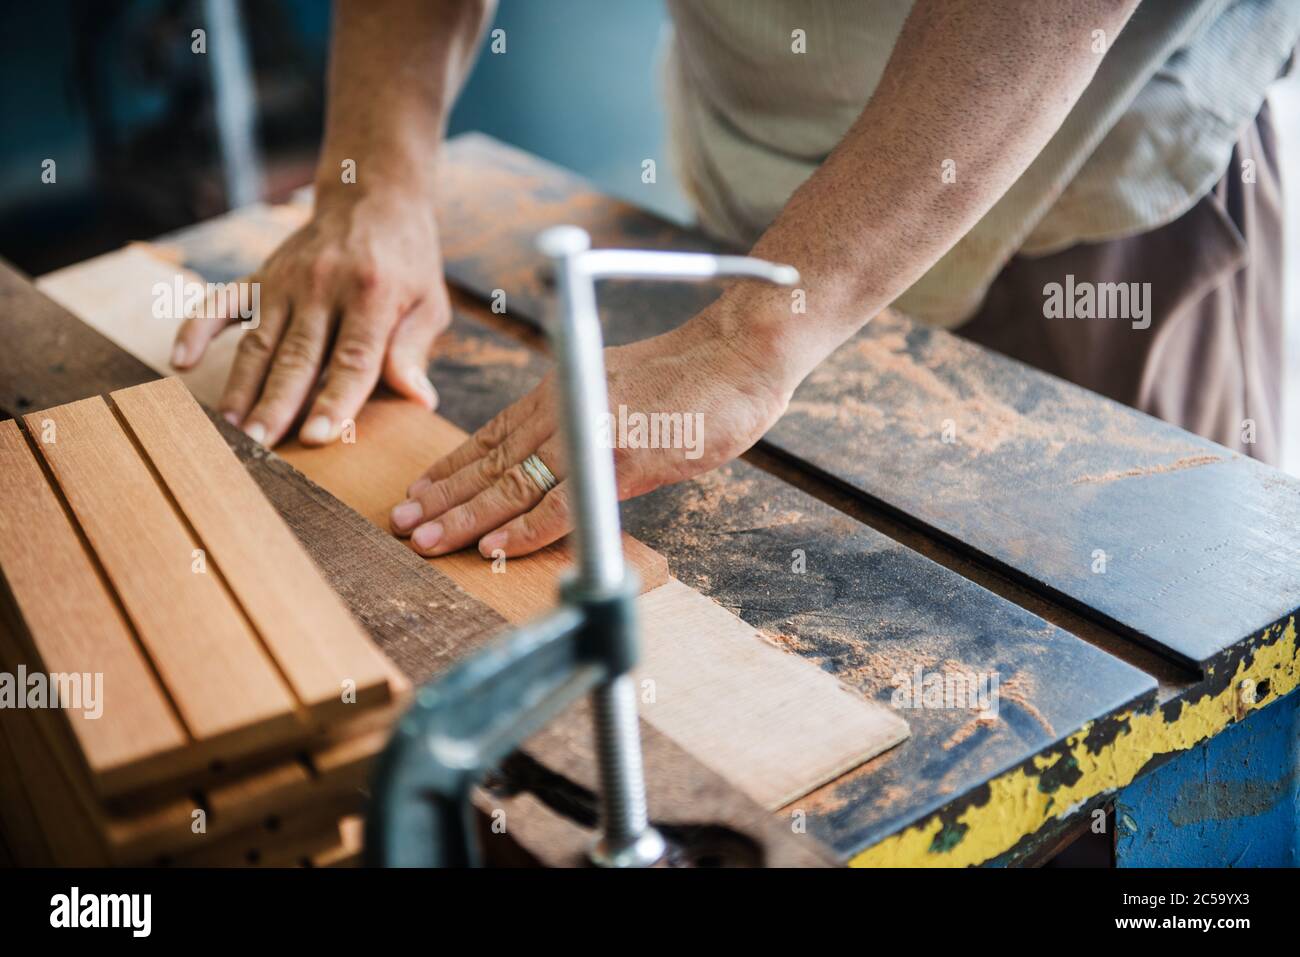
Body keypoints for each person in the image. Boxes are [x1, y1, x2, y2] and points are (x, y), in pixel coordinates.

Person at [171, 0, 1298, 561]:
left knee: (1129, 638)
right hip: (753, 157)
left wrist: (753, 338)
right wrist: (378, 174)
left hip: (1096, 190)